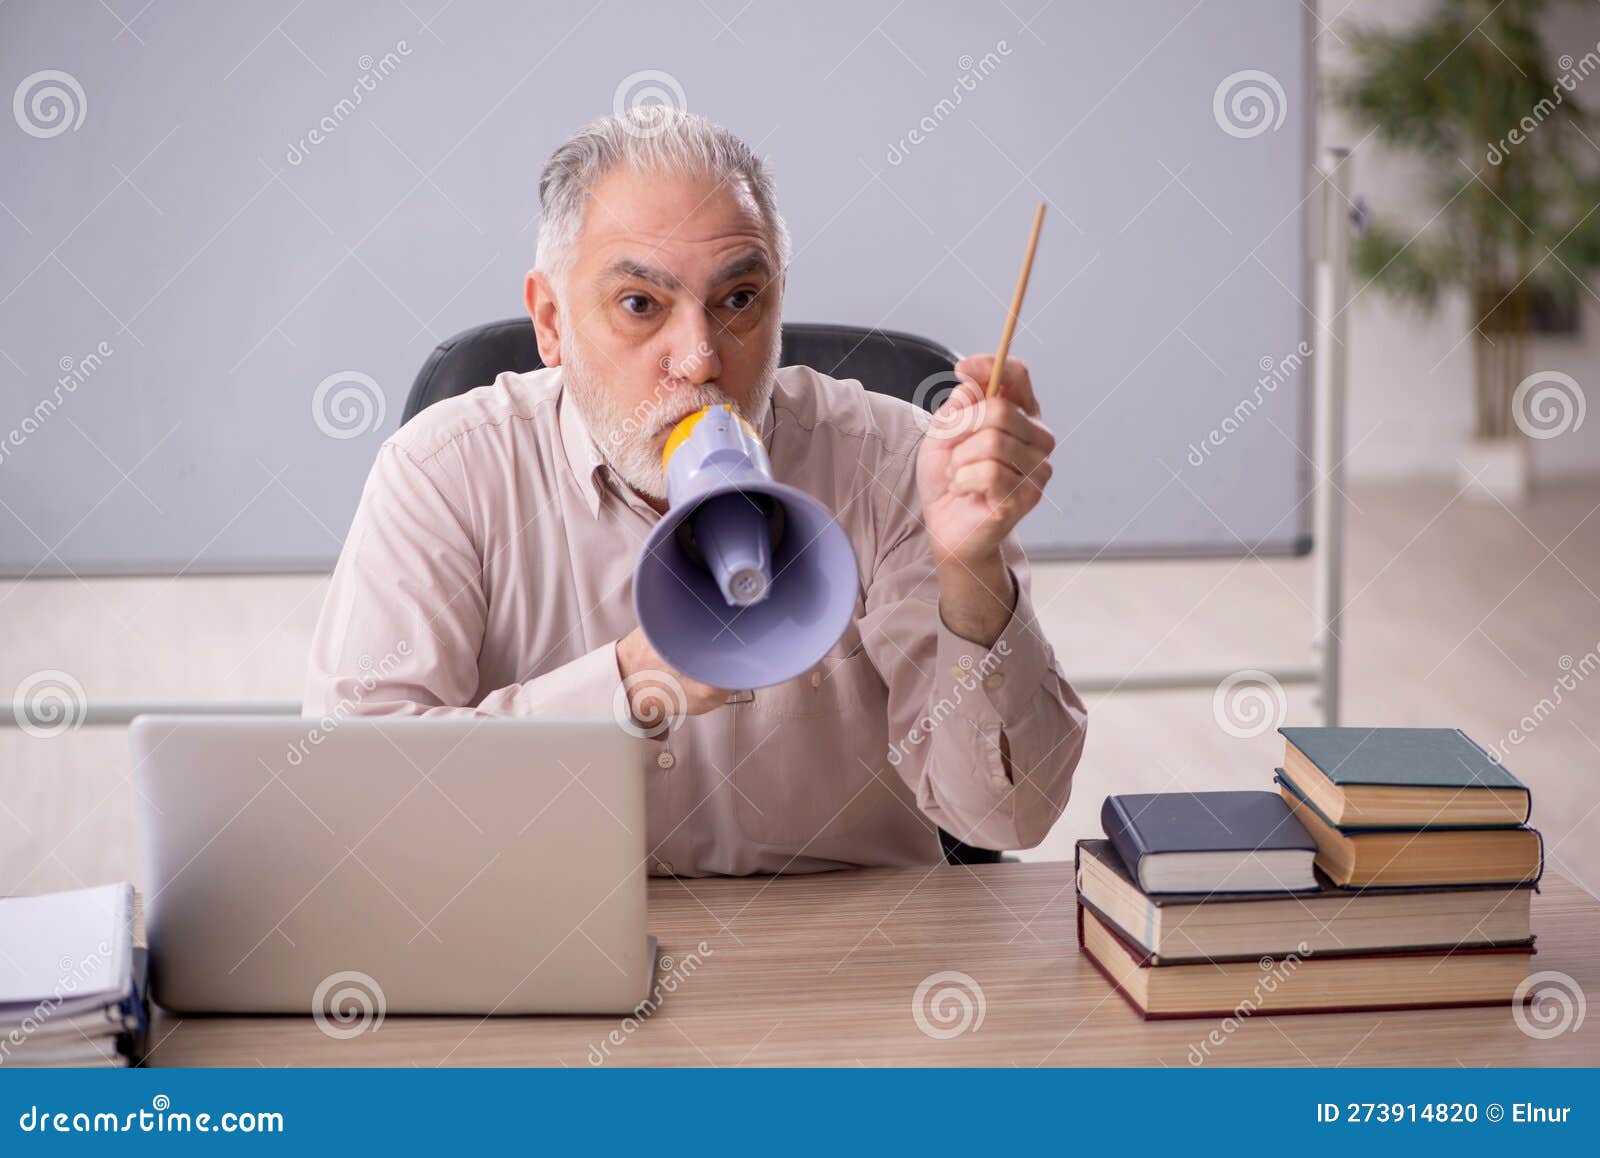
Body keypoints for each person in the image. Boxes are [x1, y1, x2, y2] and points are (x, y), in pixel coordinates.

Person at [303, 107, 1087, 876]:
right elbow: (354, 800)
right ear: (550, 321)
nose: (702, 360)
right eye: (640, 305)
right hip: (541, 955)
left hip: (854, 965)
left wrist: (971, 575)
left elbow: (1005, 817)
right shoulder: (445, 470)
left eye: (739, 300)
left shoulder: (898, 463)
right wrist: (632, 684)